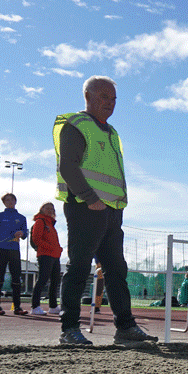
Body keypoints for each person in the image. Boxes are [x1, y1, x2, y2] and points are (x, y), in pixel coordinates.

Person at [53, 75, 158, 346]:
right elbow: (69, 167)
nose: (110, 103)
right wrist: (90, 198)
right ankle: (69, 329)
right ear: (87, 96)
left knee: (116, 270)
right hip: (85, 208)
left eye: (114, 99)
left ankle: (125, 327)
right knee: (78, 267)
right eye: (104, 97)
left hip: (111, 212)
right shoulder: (76, 125)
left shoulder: (111, 132)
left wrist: (114, 205)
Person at [0, 193, 28, 316]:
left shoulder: (21, 217)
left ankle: (17, 307)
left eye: (12, 200)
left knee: (16, 278)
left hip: (14, 250)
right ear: (4, 203)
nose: (10, 202)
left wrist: (22, 233)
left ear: (15, 201)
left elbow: (25, 234)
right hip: (1, 249)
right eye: (7, 200)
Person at [30, 201, 63, 316]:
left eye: (52, 209)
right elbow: (36, 240)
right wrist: (52, 248)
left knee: (55, 280)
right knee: (43, 279)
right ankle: (35, 306)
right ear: (42, 209)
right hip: (45, 255)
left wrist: (58, 249)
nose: (50, 210)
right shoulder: (40, 222)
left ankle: (53, 306)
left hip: (54, 256)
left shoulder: (51, 225)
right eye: (47, 208)